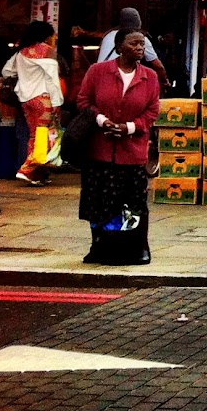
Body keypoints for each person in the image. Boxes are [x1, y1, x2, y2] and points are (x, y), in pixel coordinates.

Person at [76, 27, 161, 265]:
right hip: (100, 149)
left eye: (142, 44)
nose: (140, 48)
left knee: (134, 202)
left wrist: (129, 127)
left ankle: (139, 248)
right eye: (134, 43)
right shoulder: (98, 71)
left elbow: (152, 111)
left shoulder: (150, 77)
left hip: (132, 151)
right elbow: (83, 100)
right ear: (119, 46)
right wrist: (102, 121)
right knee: (98, 200)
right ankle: (99, 247)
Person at [7, 21, 63, 186]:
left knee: (34, 135)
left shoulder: (21, 52)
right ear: (46, 36)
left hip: (26, 99)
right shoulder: (47, 51)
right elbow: (52, 79)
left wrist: (25, 75)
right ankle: (27, 168)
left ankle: (37, 174)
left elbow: (6, 71)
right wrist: (57, 101)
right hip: (43, 98)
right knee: (45, 134)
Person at [94, 7, 169, 89]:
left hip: (100, 79)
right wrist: (165, 81)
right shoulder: (140, 38)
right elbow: (158, 66)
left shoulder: (108, 35)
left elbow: (98, 55)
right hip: (120, 80)